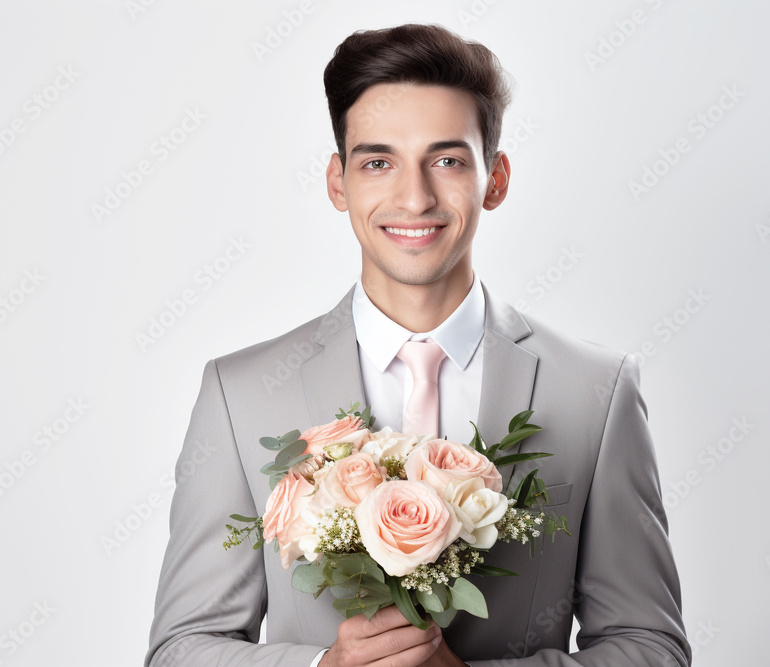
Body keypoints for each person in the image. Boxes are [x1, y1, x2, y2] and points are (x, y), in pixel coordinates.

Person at [146, 23, 691, 667]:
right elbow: (182, 650)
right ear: (338, 181)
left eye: (447, 160)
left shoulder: (596, 390)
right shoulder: (239, 394)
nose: (414, 197)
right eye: (378, 161)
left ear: (495, 178)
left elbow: (650, 650)